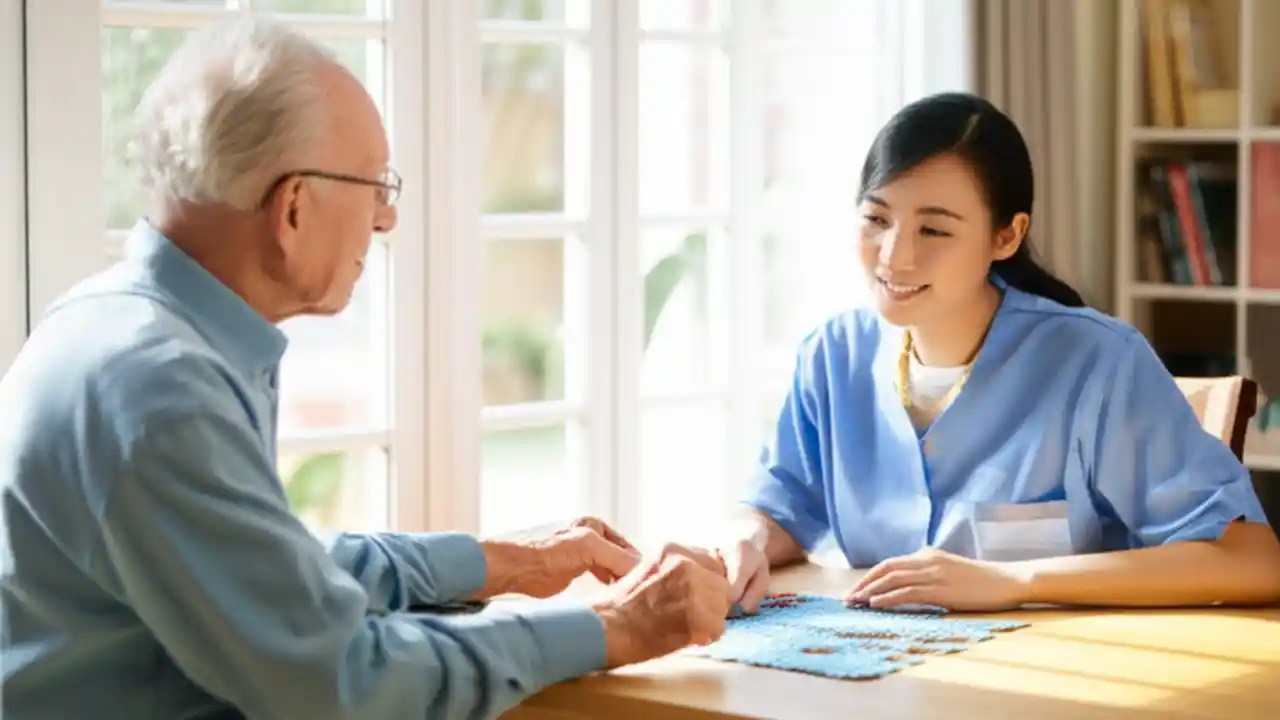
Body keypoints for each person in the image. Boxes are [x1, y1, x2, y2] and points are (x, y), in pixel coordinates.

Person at [0, 18, 730, 720]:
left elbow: (268, 572)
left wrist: (506, 562)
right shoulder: (160, 389)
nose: (387, 221)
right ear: (293, 208)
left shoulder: (120, 328)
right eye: (377, 186)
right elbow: (341, 682)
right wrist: (618, 626)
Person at [712, 92, 1280, 615]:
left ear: (1006, 236)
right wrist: (746, 541)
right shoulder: (833, 357)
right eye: (877, 219)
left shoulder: (1098, 363)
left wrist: (1017, 582)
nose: (895, 256)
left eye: (934, 231)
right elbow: (781, 506)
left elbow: (1253, 560)